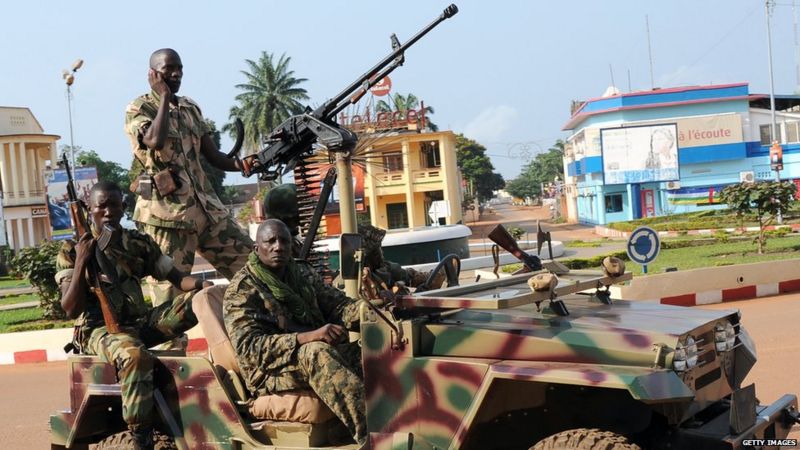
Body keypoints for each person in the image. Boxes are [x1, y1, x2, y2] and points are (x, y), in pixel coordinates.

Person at [56, 181, 214, 450]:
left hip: (139, 325)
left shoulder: (138, 243)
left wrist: (203, 286)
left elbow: (177, 278)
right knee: (135, 356)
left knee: (201, 301)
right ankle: (140, 437)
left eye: (114, 205)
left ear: (124, 207)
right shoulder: (71, 250)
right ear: (89, 209)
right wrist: (82, 259)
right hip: (99, 330)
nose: (108, 212)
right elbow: (70, 308)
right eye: (101, 206)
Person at [223, 219, 366, 445]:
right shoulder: (243, 289)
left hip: (309, 354)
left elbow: (338, 306)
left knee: (370, 352)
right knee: (317, 353)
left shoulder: (301, 272)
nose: (278, 247)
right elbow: (249, 349)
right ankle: (372, 435)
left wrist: (371, 309)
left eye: (284, 241)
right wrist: (307, 337)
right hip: (268, 371)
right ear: (256, 248)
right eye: (270, 241)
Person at [124, 48, 252, 283]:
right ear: (153, 74)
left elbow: (214, 156)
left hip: (207, 211)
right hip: (168, 219)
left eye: (179, 68)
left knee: (256, 271)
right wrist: (164, 96)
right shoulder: (140, 108)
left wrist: (245, 164)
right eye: (168, 69)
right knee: (171, 292)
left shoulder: (189, 108)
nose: (176, 74)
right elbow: (154, 140)